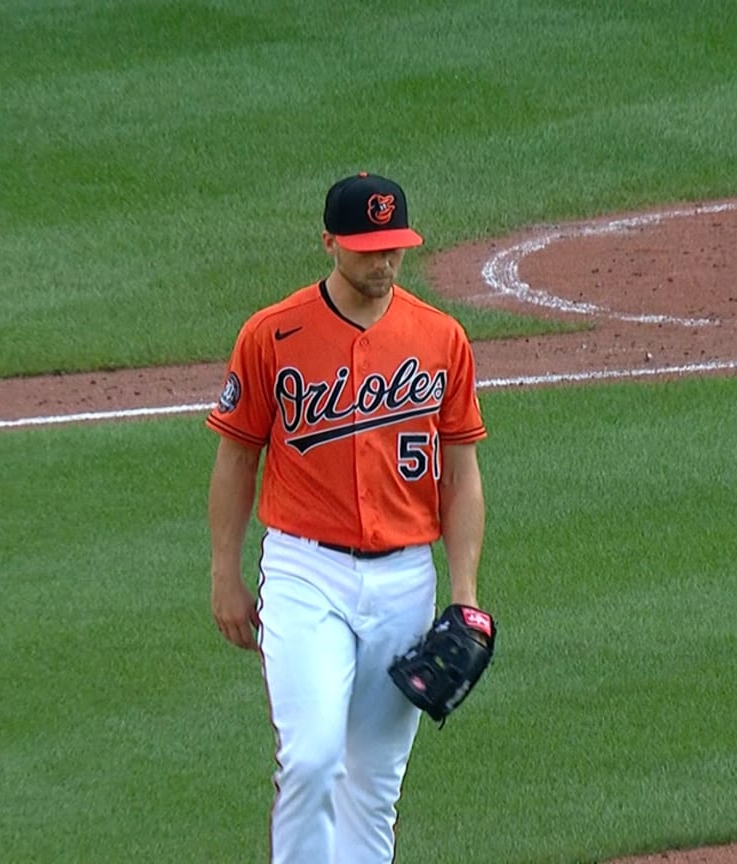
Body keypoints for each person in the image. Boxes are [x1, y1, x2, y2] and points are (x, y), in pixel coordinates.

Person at [206, 172, 488, 864]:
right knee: (310, 759)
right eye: (366, 247)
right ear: (329, 242)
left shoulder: (441, 337)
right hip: (305, 571)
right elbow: (237, 459)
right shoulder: (272, 335)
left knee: (374, 785)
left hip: (404, 579)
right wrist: (224, 573)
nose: (383, 261)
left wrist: (465, 595)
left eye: (393, 246)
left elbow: (460, 474)